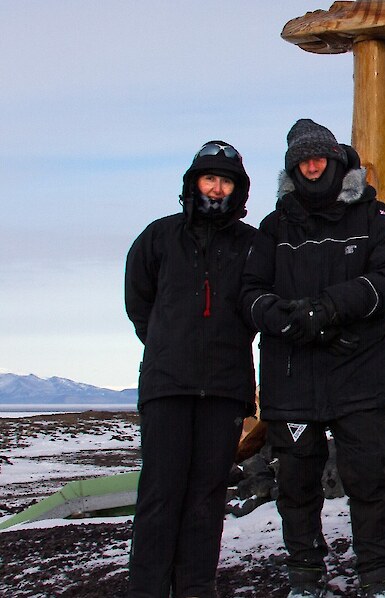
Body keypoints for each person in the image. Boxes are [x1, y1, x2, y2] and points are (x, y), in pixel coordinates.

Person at [242, 119, 385, 598]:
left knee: (370, 479)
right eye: (302, 162)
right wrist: (286, 318)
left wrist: (330, 308)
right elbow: (251, 294)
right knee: (295, 483)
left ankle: (378, 576)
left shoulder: (374, 217)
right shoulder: (274, 228)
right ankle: (305, 576)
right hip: (292, 379)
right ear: (293, 170)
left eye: (319, 159)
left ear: (336, 161)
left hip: (361, 373)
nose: (312, 167)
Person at [124, 140, 257, 597]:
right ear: (193, 182)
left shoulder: (251, 244)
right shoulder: (159, 237)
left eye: (225, 181)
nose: (216, 189)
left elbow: (261, 306)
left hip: (225, 388)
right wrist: (169, 344)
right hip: (167, 386)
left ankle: (197, 588)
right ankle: (146, 589)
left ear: (237, 189)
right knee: (160, 496)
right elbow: (139, 303)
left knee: (206, 498)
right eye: (209, 178)